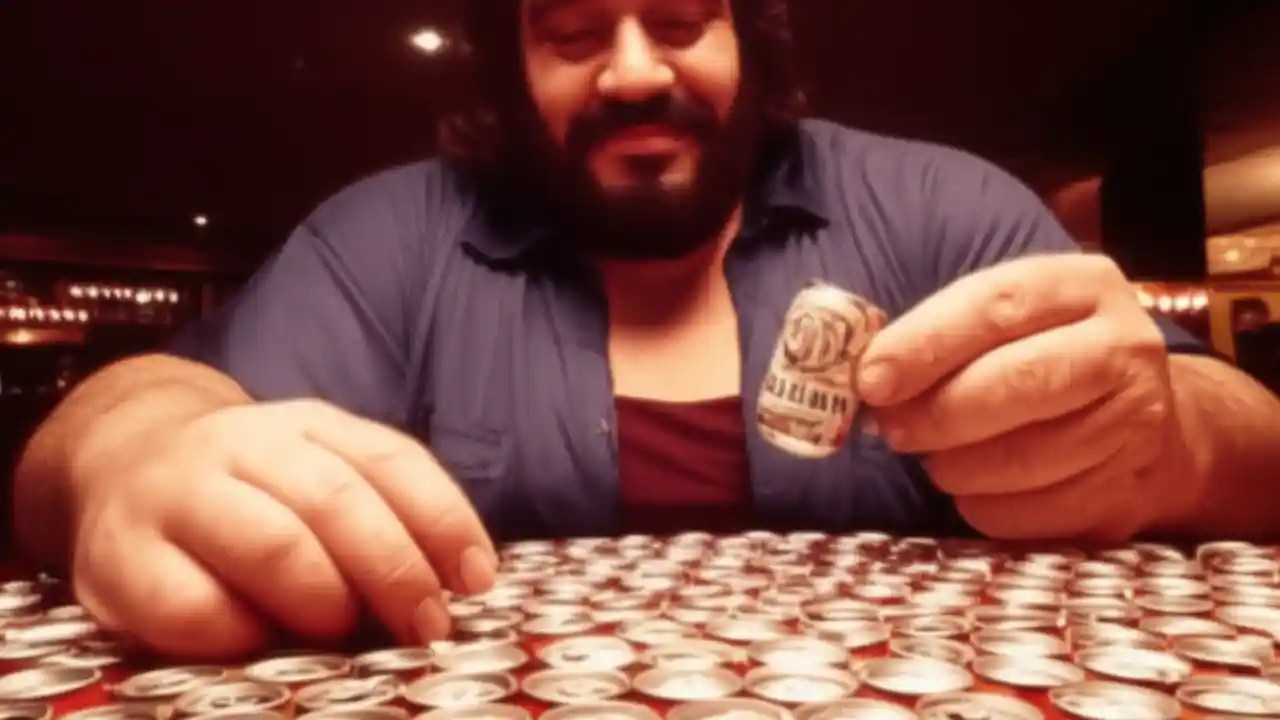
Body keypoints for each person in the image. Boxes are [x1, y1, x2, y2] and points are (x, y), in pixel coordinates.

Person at [13, 0, 1280, 659]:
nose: (628, 71)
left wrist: (1174, 438)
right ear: (509, 76)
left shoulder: (937, 204)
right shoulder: (387, 240)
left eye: (678, 20)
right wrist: (125, 463)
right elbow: (117, 427)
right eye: (569, 34)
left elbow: (1254, 446)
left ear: (751, 44)